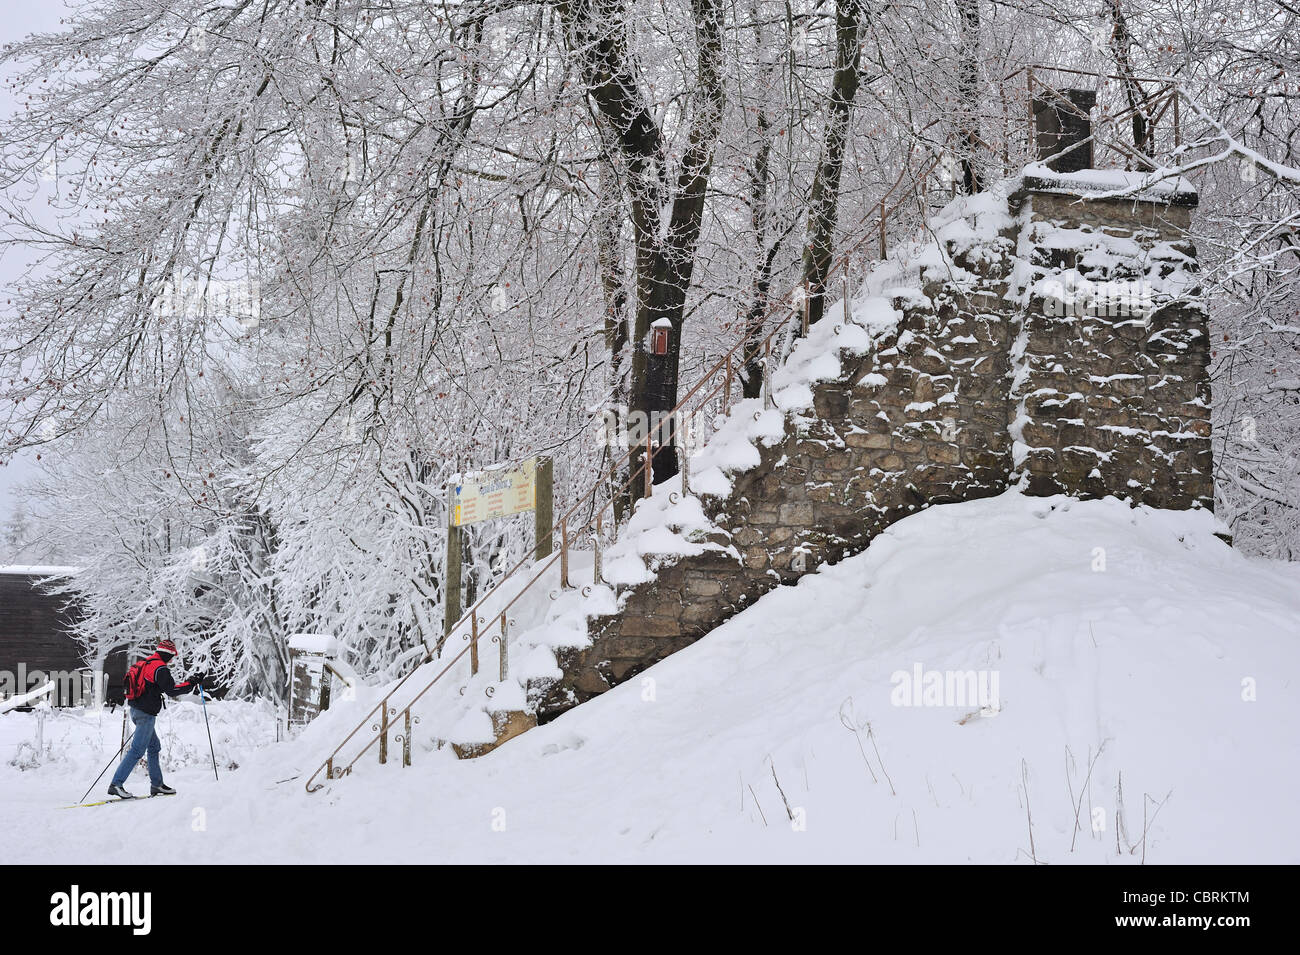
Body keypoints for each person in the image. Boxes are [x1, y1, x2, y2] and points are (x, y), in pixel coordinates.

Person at [107, 638, 203, 799]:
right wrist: (191, 683)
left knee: (154, 747)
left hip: (136, 710)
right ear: (168, 654)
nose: (172, 660)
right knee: (137, 750)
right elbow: (172, 690)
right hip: (146, 714)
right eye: (172, 656)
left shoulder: (146, 663)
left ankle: (157, 784)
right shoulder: (160, 669)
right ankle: (116, 784)